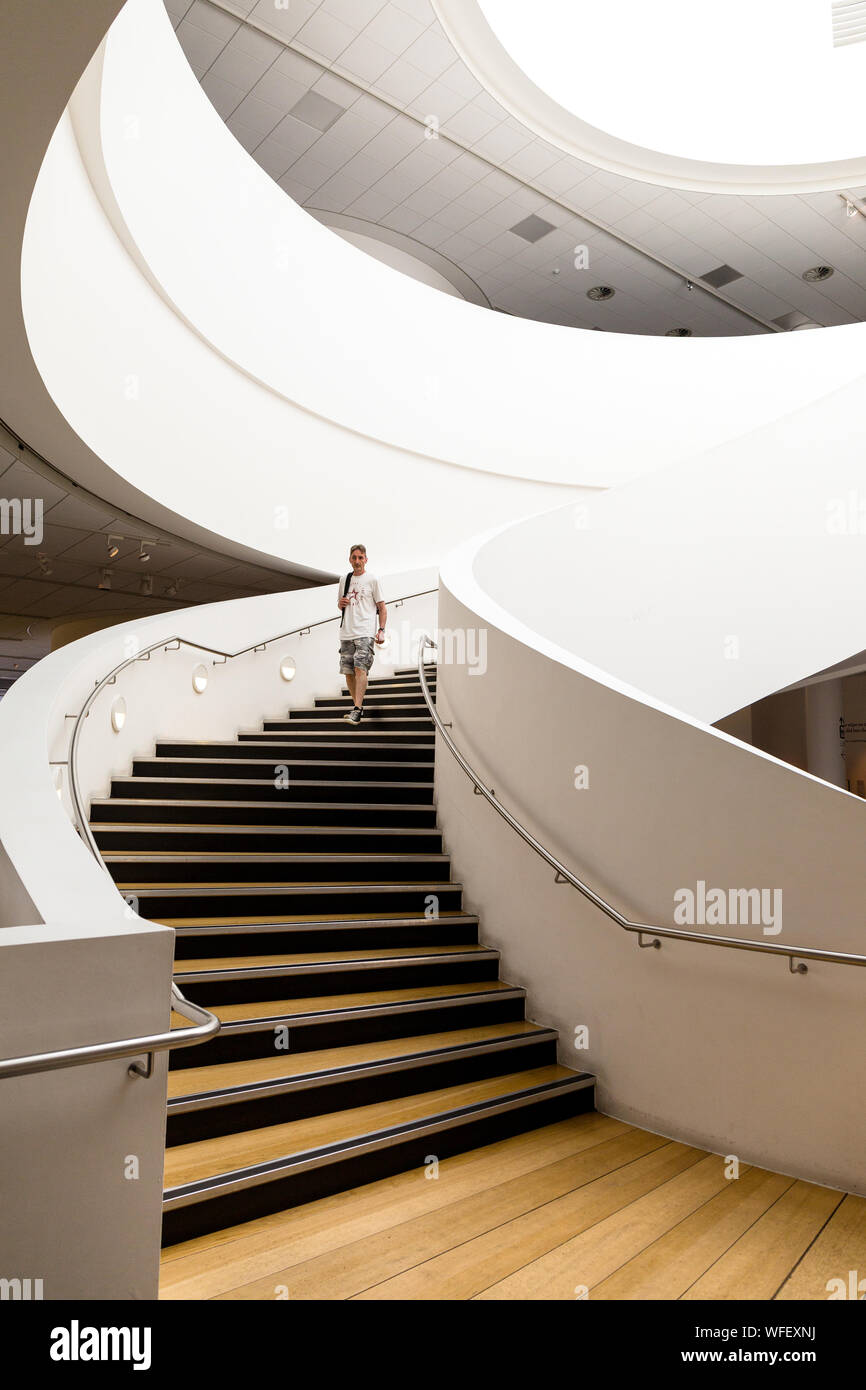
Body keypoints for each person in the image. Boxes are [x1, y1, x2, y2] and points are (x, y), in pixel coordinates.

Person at [337, 544, 386, 725]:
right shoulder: (344, 579)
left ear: (366, 559)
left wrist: (381, 630)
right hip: (346, 632)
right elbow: (340, 605)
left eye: (360, 557)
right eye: (354, 557)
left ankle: (357, 710)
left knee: (360, 668)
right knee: (348, 672)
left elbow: (382, 608)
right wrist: (341, 603)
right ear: (350, 559)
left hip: (365, 631)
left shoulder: (372, 579)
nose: (357, 561)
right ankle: (357, 708)